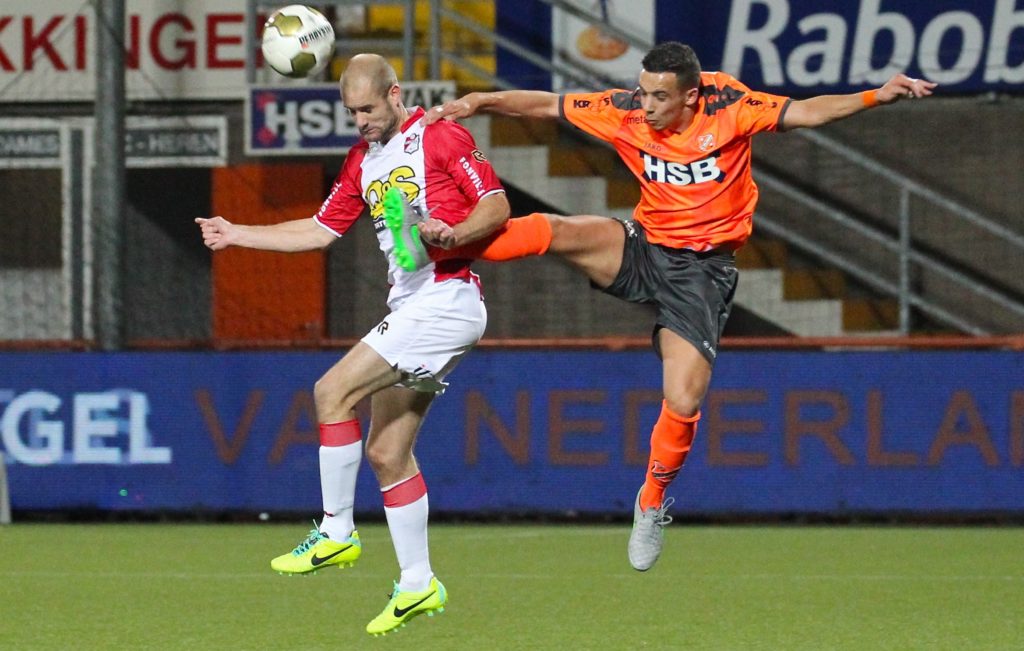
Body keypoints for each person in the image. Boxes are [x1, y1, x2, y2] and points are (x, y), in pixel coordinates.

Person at [413, 41, 936, 571]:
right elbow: (548, 104)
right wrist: (481, 100)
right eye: (642, 92)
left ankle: (651, 501)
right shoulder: (625, 111)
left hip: (702, 274)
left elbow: (807, 111)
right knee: (554, 231)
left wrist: (876, 96)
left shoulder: (730, 105)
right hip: (645, 246)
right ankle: (434, 238)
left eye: (659, 97)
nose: (646, 105)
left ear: (691, 96)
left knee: (683, 399)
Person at [196, 53, 510, 635]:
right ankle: (418, 584)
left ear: (395, 94)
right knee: (387, 453)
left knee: (331, 392)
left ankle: (336, 529)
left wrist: (454, 232)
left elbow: (496, 204)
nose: (361, 120)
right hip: (414, 307)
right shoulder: (361, 162)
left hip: (446, 298)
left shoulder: (440, 137)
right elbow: (319, 231)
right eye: (351, 112)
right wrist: (238, 233)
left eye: (368, 108)